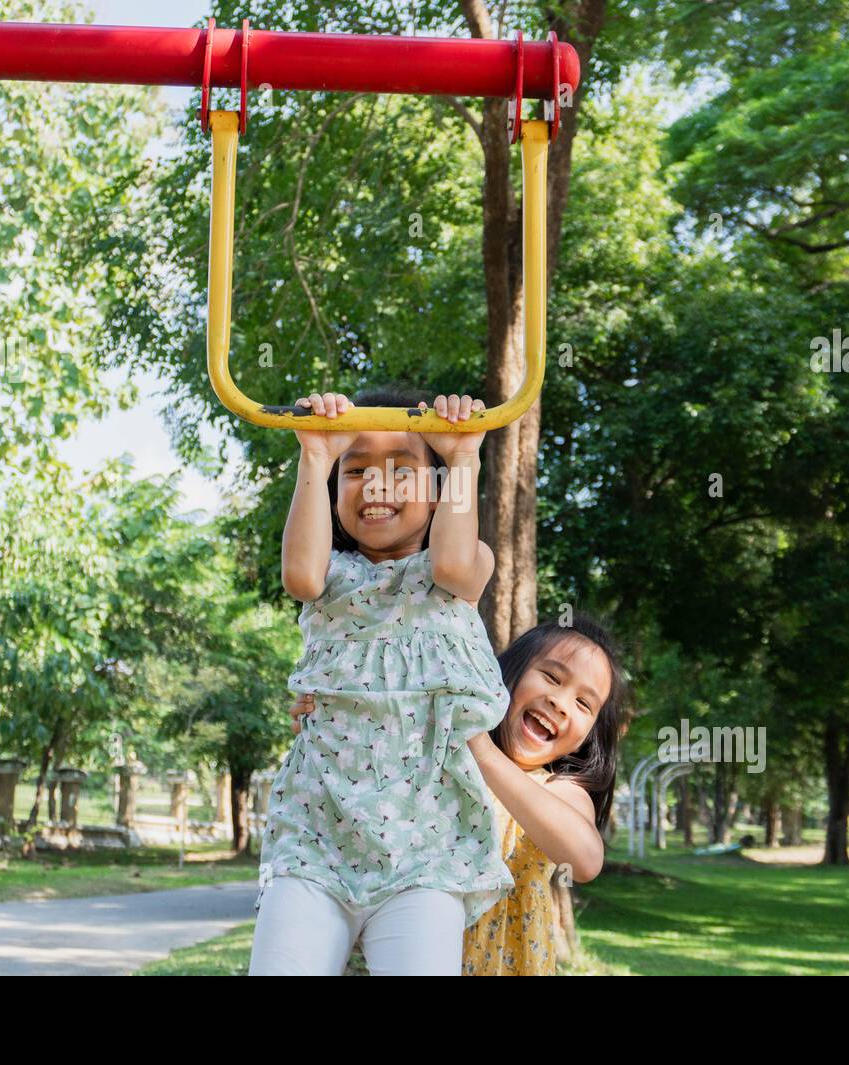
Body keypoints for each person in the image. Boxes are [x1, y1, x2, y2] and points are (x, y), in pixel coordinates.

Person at [247, 385, 516, 976]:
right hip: (317, 835)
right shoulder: (329, 575)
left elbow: (450, 560)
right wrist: (316, 457)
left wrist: (464, 457)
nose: (376, 485)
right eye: (357, 469)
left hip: (426, 847)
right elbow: (297, 573)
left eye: (403, 471)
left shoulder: (458, 573)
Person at [291, 613, 629, 975]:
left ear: (588, 735)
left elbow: (586, 860)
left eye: (583, 704)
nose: (561, 702)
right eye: (551, 677)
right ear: (506, 674)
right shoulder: (435, 755)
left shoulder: (559, 789)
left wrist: (482, 751)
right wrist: (325, 719)